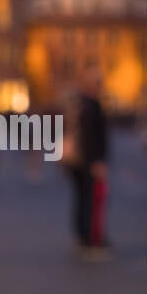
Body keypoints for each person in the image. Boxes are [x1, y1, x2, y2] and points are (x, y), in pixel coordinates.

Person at [61, 70, 110, 256]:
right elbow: (91, 137)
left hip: (74, 160)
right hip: (88, 161)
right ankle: (91, 237)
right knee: (91, 199)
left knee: (80, 197)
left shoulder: (75, 105)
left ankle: (81, 235)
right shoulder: (92, 106)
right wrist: (97, 161)